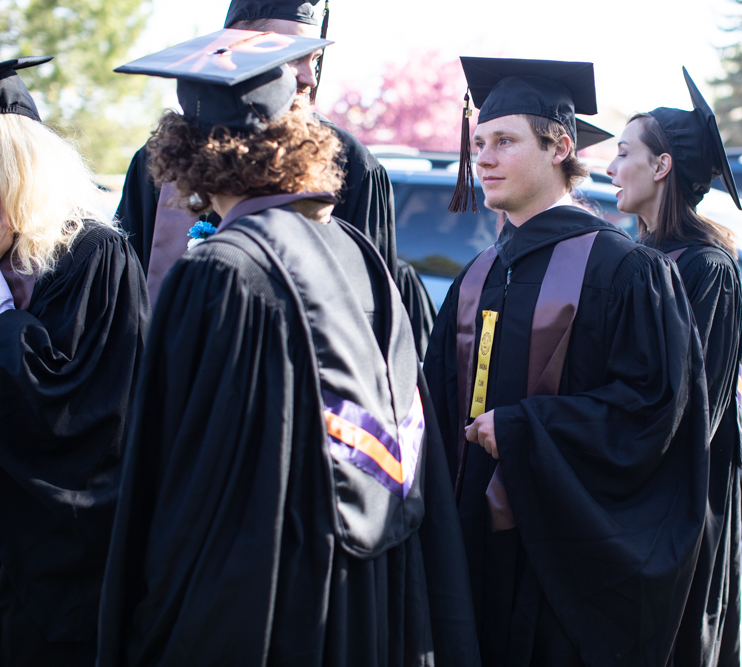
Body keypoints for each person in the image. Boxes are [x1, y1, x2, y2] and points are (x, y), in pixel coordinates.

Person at [98, 33, 478, 666]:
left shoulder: (220, 272)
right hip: (369, 592)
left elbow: (191, 488)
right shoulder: (359, 254)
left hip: (270, 605)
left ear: (186, 151)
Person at [423, 56, 711, 667]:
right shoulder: (478, 276)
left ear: (559, 146)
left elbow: (654, 412)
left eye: (505, 141)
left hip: (564, 560)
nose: (484, 159)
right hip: (471, 548)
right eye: (480, 143)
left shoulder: (625, 271)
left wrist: (524, 429)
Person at [116, 0, 436, 359]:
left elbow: (368, 322)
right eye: (292, 56)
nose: (309, 77)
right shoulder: (162, 159)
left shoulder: (349, 163)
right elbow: (124, 304)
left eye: (314, 59)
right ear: (233, 46)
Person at [0, 56, 148, 665]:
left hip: (59, 574)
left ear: (20, 179)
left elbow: (87, 419)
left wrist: (6, 320)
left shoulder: (94, 258)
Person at [605, 68, 742, 667]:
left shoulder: (705, 269)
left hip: (681, 507)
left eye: (624, 152)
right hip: (633, 501)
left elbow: (694, 412)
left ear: (661, 166)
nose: (609, 167)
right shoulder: (635, 256)